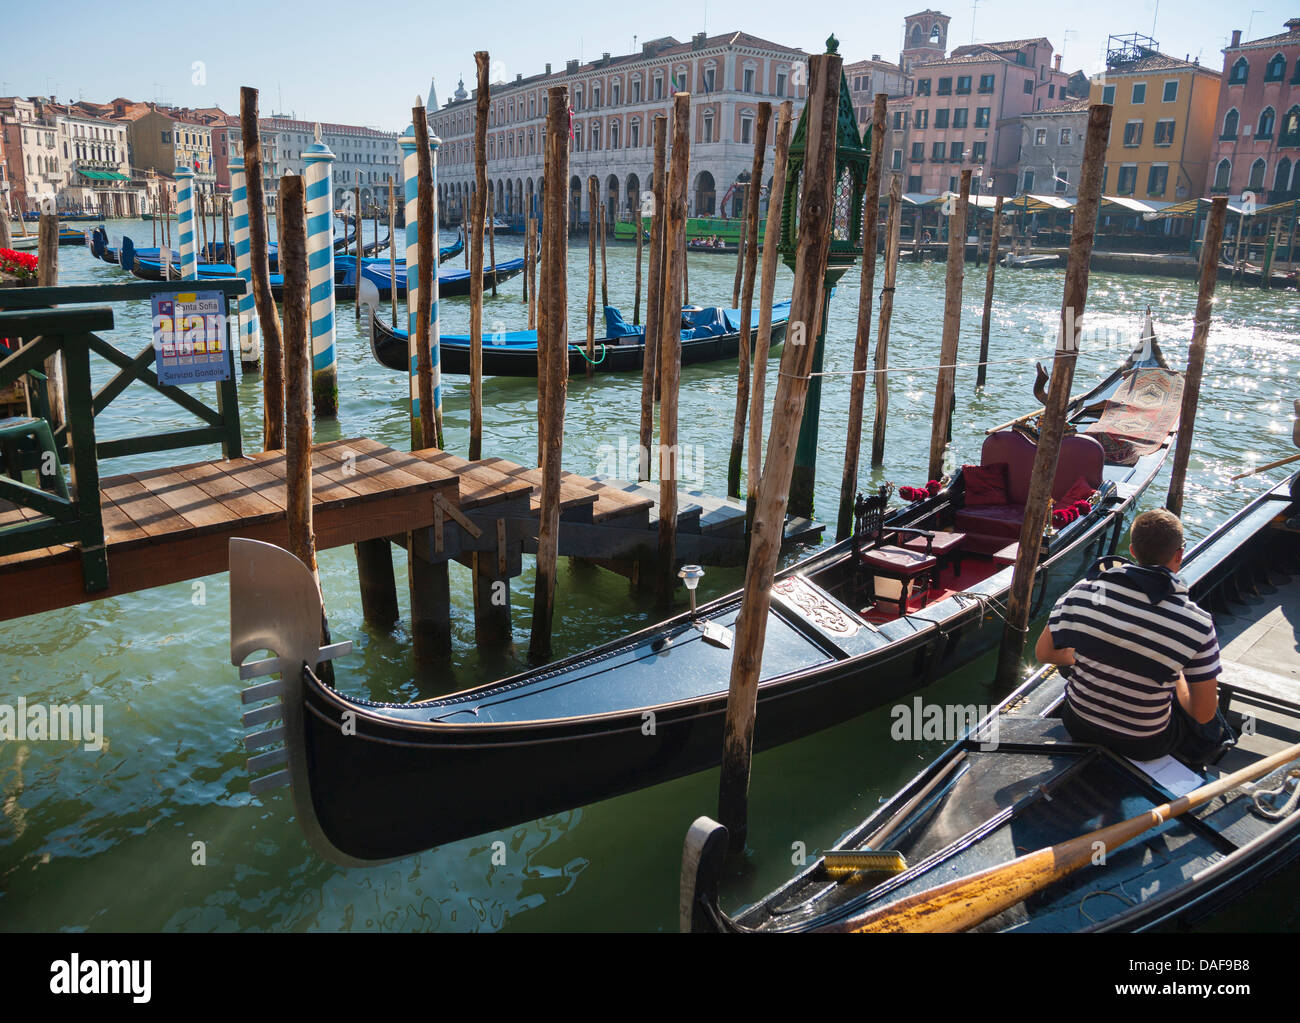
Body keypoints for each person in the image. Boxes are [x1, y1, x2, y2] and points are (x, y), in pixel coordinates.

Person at [1035, 508, 1233, 765]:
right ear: (1179, 554)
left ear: (1132, 551)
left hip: (1077, 723)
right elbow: (1202, 713)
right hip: (1144, 743)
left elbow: (1044, 653)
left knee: (1073, 661)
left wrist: (1096, 655)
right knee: (1209, 718)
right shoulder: (1197, 623)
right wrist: (1177, 676)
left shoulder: (1082, 591)